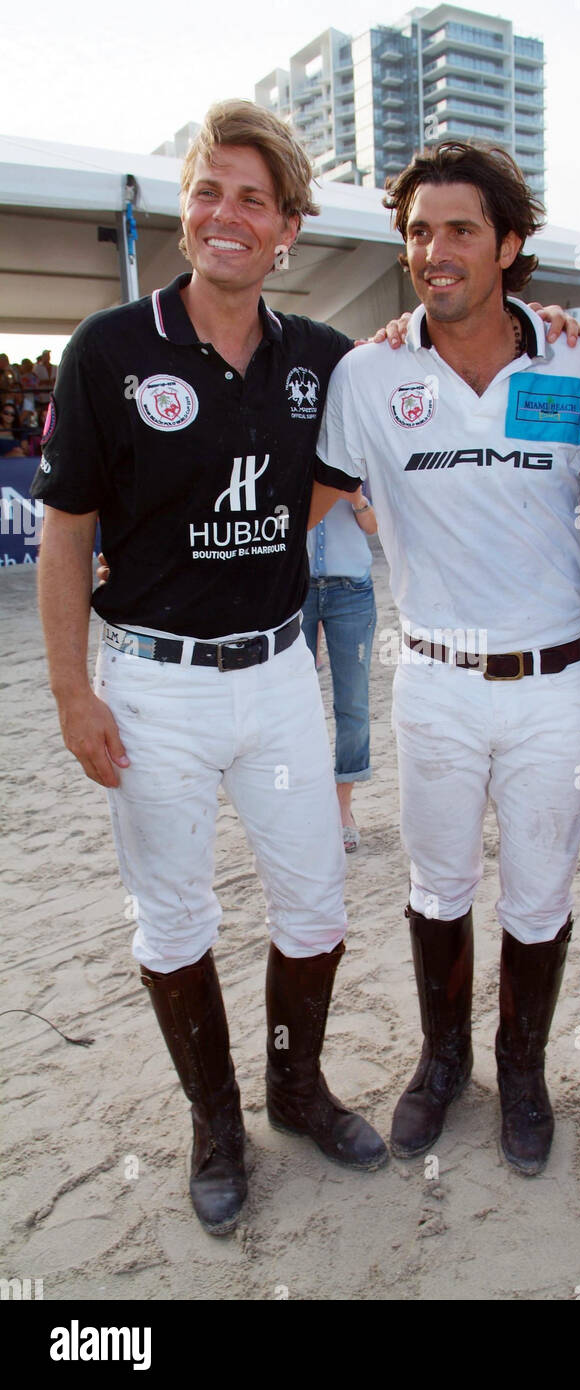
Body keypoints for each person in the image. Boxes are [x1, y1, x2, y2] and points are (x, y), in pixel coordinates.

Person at [32, 99, 391, 1237]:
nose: (225, 214)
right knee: (174, 919)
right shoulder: (110, 349)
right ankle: (216, 1123)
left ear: (287, 226)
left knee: (316, 902)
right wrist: (71, 691)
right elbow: (65, 531)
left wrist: (554, 335)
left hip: (280, 676)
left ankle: (294, 1086)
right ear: (186, 213)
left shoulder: (322, 358)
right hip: (156, 686)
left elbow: (416, 381)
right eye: (207, 191)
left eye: (252, 197)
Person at [314, 141, 580, 1176]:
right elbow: (307, 502)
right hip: (434, 680)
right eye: (418, 233)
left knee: (538, 893)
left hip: (552, 684)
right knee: (437, 888)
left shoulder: (578, 359)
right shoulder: (369, 369)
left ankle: (518, 1070)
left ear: (509, 244)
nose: (433, 250)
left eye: (459, 230)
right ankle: (442, 1065)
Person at [302, 485, 378, 851]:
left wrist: (356, 499)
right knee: (294, 706)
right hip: (293, 590)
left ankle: (342, 804)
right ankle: (302, 802)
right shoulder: (290, 446)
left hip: (351, 591)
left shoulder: (357, 456)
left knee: (353, 704)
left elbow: (373, 526)